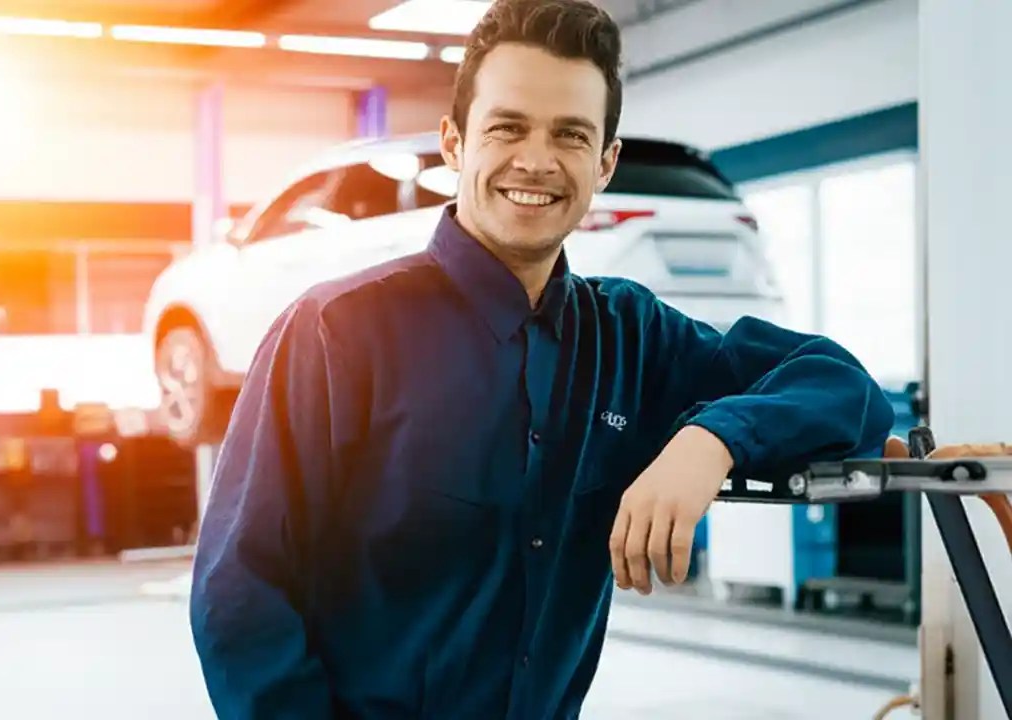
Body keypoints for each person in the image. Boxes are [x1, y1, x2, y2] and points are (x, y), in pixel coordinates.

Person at [189, 0, 895, 717]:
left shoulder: (632, 336)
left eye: (570, 135)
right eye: (507, 127)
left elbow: (844, 388)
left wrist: (709, 440)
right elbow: (239, 600)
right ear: (455, 142)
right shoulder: (334, 333)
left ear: (605, 162)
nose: (537, 160)